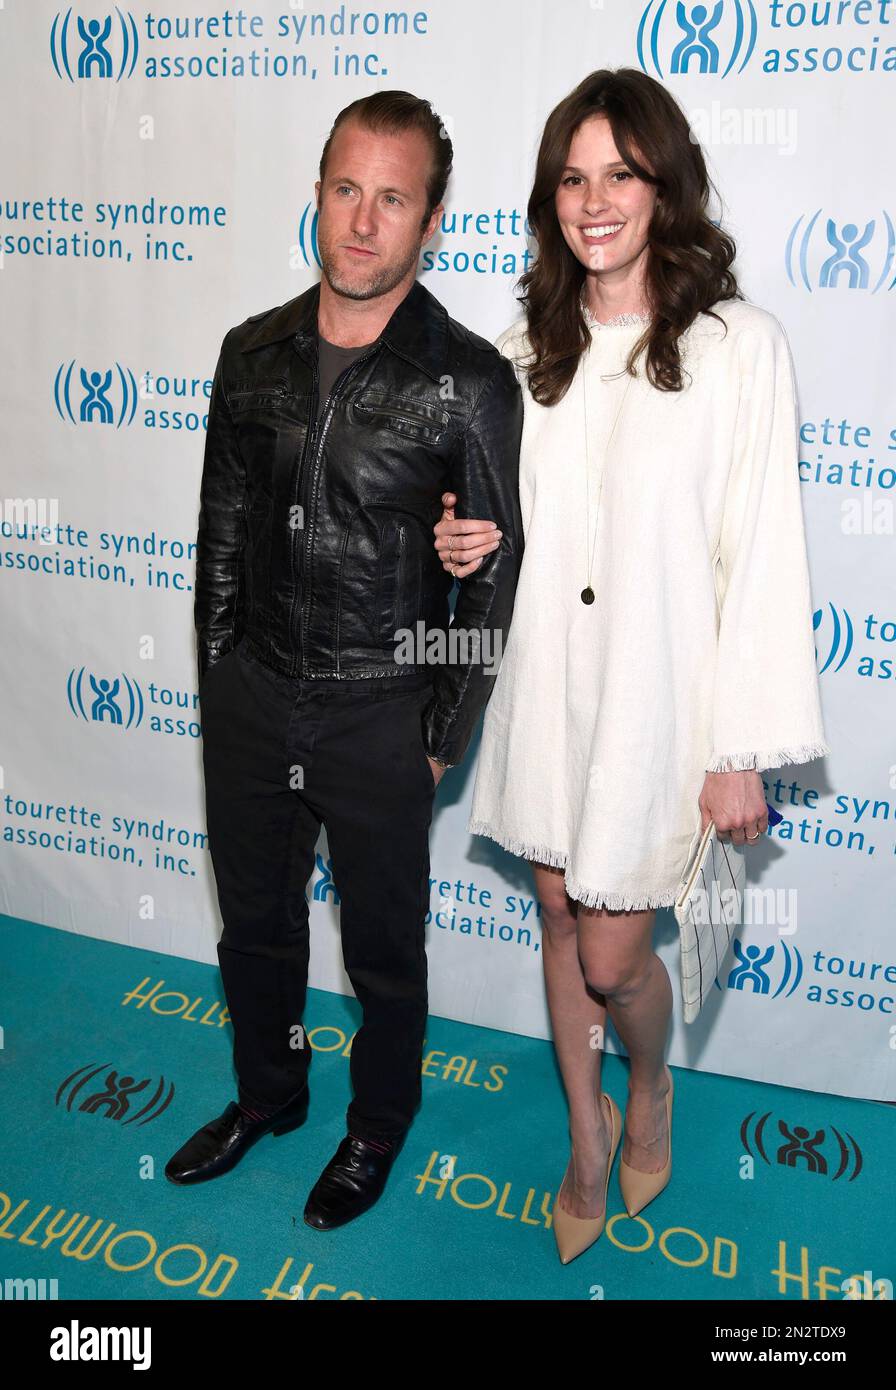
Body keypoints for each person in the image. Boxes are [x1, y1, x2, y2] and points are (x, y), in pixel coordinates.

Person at [431, 68, 829, 1264]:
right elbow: (490, 531)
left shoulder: (735, 348)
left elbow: (760, 555)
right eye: (570, 176)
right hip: (545, 696)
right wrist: (462, 540)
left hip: (661, 708)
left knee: (614, 956)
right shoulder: (518, 352)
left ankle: (645, 1086)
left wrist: (737, 751)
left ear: (664, 187)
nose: (591, 200)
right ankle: (587, 1139)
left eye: (619, 174)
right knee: (556, 919)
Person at [165, 91, 524, 1231]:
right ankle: (268, 1097)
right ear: (316, 195)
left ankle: (376, 1127)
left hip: (381, 705)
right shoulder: (248, 352)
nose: (362, 223)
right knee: (255, 928)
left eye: (393, 199)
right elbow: (220, 534)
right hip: (256, 694)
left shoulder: (466, 380)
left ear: (430, 222)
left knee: (381, 951)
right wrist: (223, 674)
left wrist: (435, 738)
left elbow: (491, 570)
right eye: (344, 190)